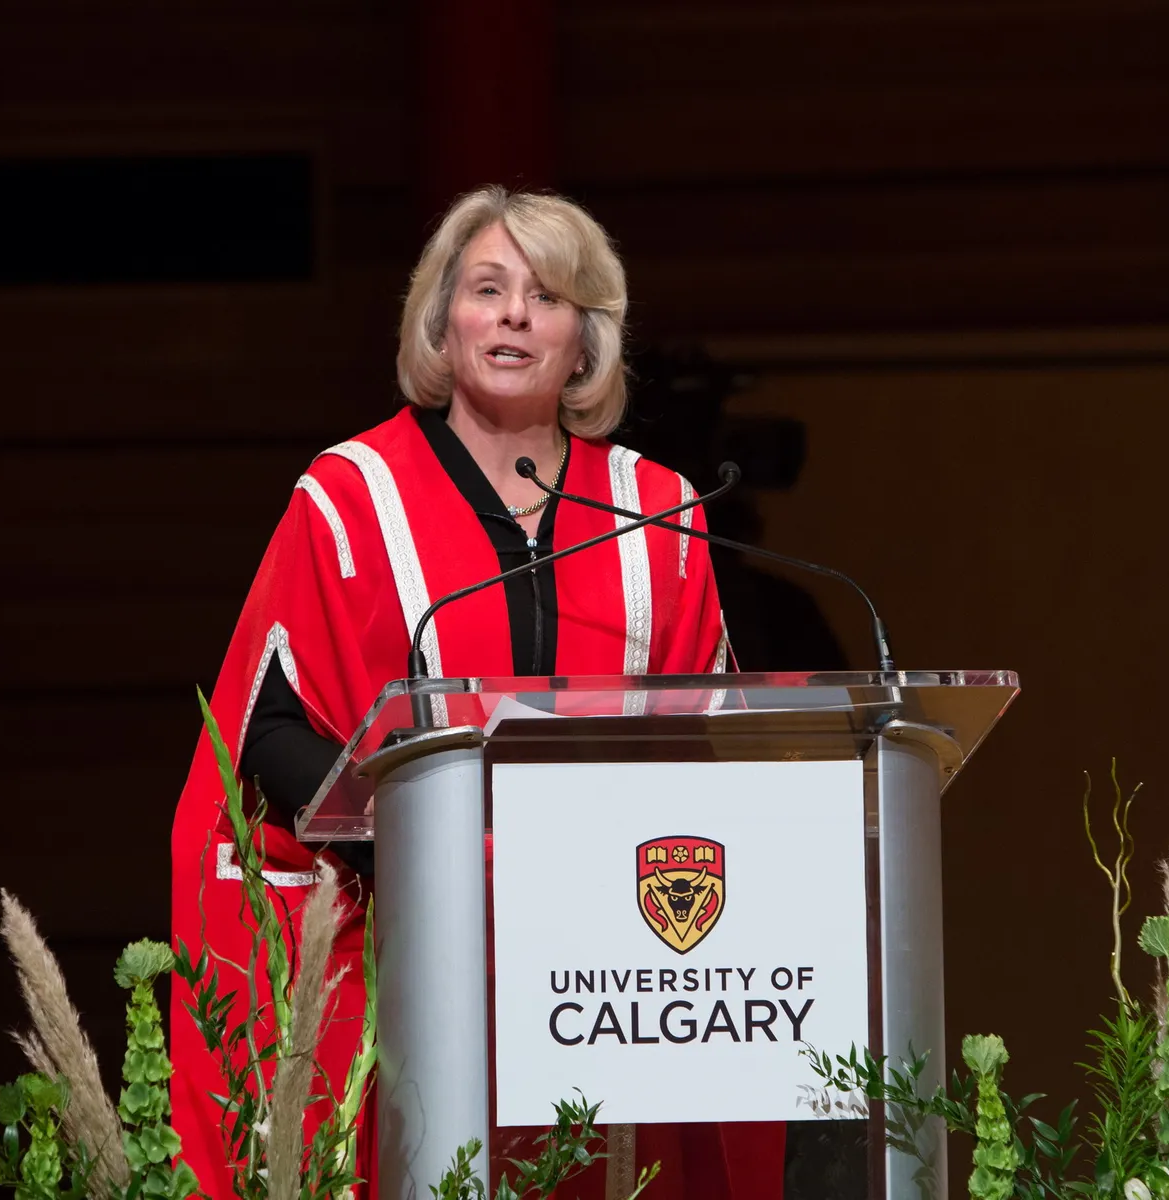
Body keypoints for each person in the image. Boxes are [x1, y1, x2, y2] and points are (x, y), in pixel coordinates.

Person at [169, 187, 782, 1200]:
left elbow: (702, 746)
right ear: (441, 320)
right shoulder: (351, 496)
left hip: (603, 967)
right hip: (402, 947)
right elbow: (268, 731)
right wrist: (418, 847)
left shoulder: (661, 511)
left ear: (583, 339)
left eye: (544, 297)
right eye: (487, 289)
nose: (511, 316)